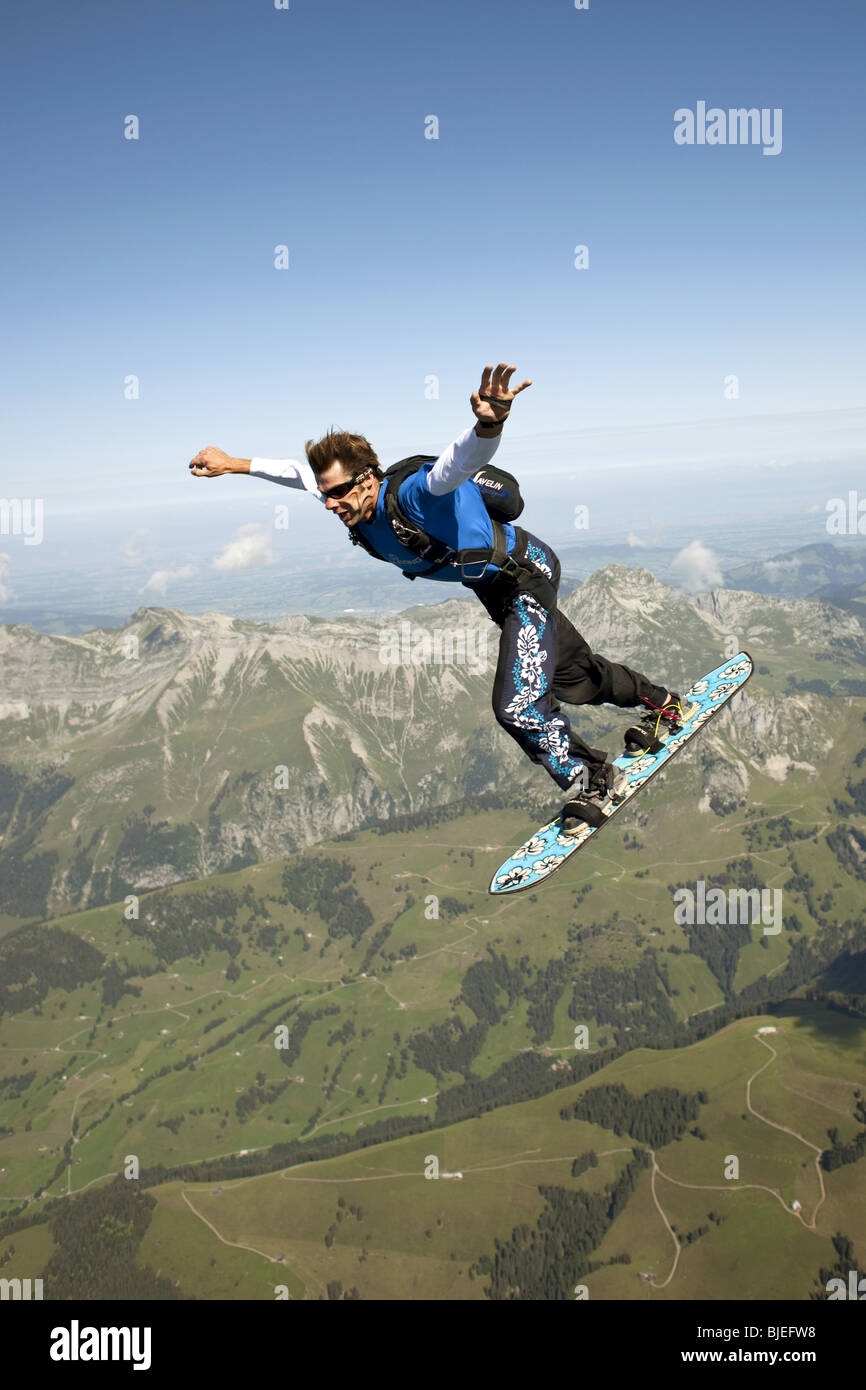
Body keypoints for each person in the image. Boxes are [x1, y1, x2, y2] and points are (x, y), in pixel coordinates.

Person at [189, 362, 695, 832]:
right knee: (572, 672)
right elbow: (295, 475)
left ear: (368, 481)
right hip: (495, 586)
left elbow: (457, 463)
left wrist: (489, 425)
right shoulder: (351, 503)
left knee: (517, 704)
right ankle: (665, 705)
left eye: (338, 492)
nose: (329, 503)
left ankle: (594, 783)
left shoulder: (413, 494)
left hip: (524, 576)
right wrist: (231, 463)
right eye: (326, 494)